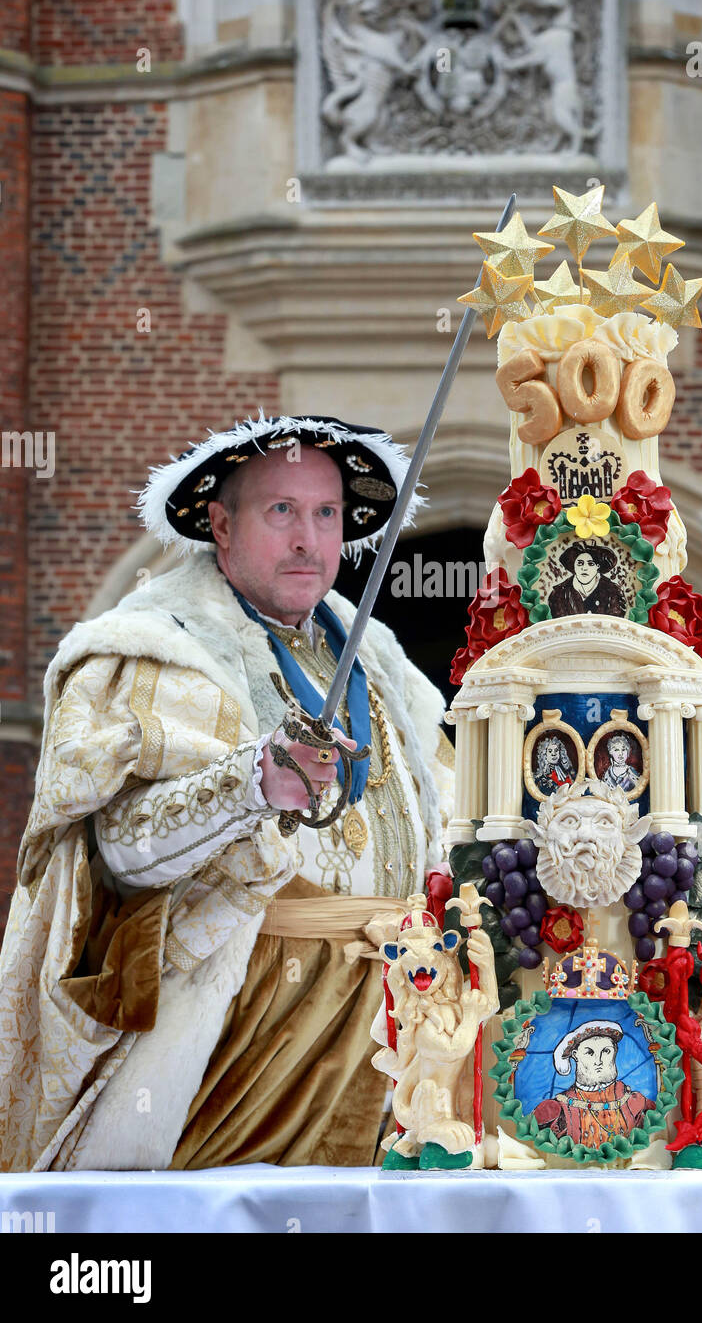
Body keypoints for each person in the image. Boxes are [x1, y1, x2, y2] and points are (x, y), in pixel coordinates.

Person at [0, 413, 455, 1172]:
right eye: (282, 511)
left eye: (326, 514)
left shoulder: (374, 652)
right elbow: (117, 853)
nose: (309, 539)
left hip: (395, 1029)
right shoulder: (156, 646)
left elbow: (449, 815)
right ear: (220, 523)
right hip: (246, 1030)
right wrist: (249, 783)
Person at [532, 1020, 654, 1149]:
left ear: (615, 1052)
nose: (598, 1061)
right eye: (589, 1053)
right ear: (575, 1055)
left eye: (606, 1051)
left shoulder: (635, 1103)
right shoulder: (556, 1110)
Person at [547, 542, 626, 618]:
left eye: (591, 564)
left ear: (598, 566)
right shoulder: (559, 594)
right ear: (574, 565)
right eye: (580, 563)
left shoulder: (613, 592)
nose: (584, 568)